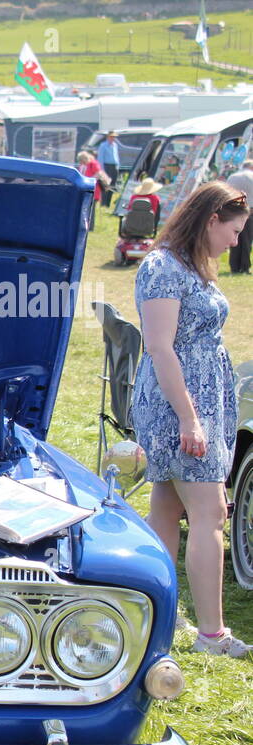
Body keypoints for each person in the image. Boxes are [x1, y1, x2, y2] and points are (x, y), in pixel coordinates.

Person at [130, 182, 251, 658]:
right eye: (234, 231)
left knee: (168, 509)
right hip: (177, 406)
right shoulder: (163, 268)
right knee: (211, 514)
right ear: (210, 220)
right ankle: (212, 635)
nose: (237, 242)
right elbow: (161, 347)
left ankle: (158, 612)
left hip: (195, 404)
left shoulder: (189, 265)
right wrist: (189, 418)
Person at [225, 160, 253, 274]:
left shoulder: (232, 176)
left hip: (234, 209)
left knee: (234, 238)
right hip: (250, 209)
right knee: (247, 239)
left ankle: (234, 266)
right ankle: (245, 266)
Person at [77, 150, 104, 230]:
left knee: (91, 209)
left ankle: (90, 227)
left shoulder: (93, 163)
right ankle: (84, 224)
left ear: (84, 159)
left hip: (93, 189)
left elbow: (99, 173)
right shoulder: (82, 165)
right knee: (85, 208)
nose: (81, 162)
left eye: (81, 160)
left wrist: (90, 180)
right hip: (85, 189)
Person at [96, 131, 120, 208]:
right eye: (111, 137)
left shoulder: (115, 145)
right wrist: (102, 170)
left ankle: (108, 203)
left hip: (114, 166)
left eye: (114, 137)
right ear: (108, 137)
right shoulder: (103, 145)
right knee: (106, 184)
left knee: (112, 185)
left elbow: (116, 157)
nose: (113, 138)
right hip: (107, 166)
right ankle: (103, 203)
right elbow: (100, 158)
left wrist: (117, 166)